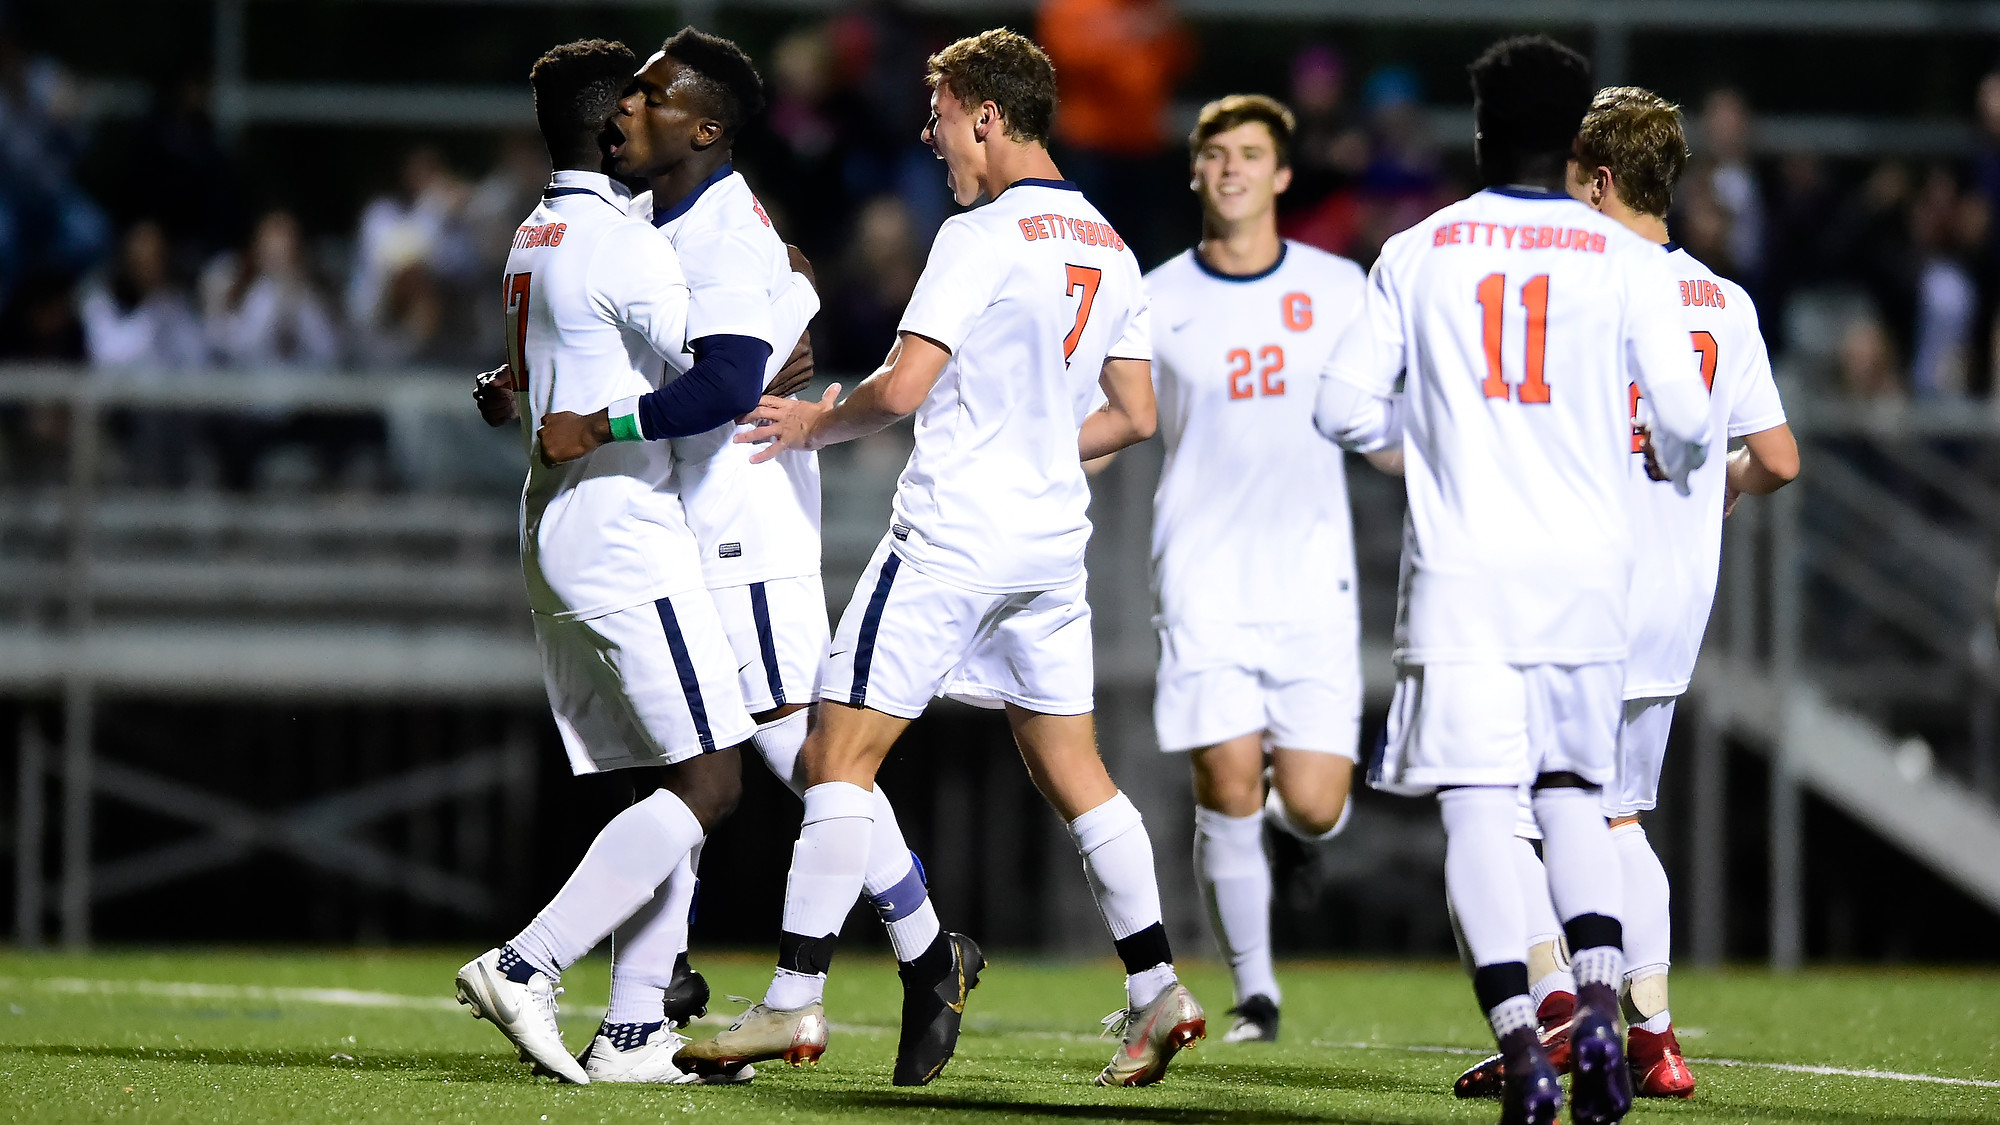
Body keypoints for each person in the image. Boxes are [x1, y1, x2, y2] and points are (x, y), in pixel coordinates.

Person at [680, 28, 1198, 1088]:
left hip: (952, 536)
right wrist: (1039, 451)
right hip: (1048, 547)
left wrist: (815, 425)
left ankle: (792, 1002)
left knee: (834, 754)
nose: (930, 134)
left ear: (988, 118)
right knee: (1077, 774)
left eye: (941, 114)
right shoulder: (1106, 239)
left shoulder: (982, 231)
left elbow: (903, 388)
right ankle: (1156, 990)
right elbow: (1134, 413)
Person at [528, 25, 944, 1083]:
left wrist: (609, 418)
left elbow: (737, 359)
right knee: (712, 760)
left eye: (652, 95)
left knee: (791, 753)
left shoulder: (722, 233)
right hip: (685, 519)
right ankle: (640, 1010)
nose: (629, 108)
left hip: (738, 517)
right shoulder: (653, 212)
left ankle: (924, 942)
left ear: (703, 127)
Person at [1313, 36, 1711, 1125]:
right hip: (1586, 580)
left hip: (1461, 576)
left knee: (1483, 812)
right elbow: (1682, 423)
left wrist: (1429, 438)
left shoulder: (1419, 249)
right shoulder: (1626, 264)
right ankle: (1596, 1006)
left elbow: (1340, 408)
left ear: (1479, 133)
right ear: (1576, 140)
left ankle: (1520, 1043)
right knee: (1577, 799)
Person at [1450, 85, 1800, 1106]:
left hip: (1578, 592)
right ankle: (1653, 1035)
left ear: (1597, 179)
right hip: (1672, 603)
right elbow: (1775, 457)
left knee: (1500, 809)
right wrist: (1721, 487)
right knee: (1612, 818)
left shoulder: (1582, 288)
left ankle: (1561, 1009)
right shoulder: (1722, 303)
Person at [451, 38, 755, 1087]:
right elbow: (725, 377)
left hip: (557, 532)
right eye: (632, 97)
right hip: (624, 532)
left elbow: (548, 369)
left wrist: (520, 395)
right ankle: (526, 963)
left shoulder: (534, 233)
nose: (642, 113)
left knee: (674, 784)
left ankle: (633, 1031)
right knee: (713, 780)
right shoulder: (624, 243)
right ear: (606, 119)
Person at [1143, 93, 1374, 1044]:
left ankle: (1285, 836)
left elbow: (1383, 421)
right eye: (1215, 154)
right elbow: (1120, 422)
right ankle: (1256, 993)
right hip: (1201, 576)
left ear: (1282, 174)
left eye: (1250, 155)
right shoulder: (1154, 296)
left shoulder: (1341, 287)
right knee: (1228, 781)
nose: (1231, 168)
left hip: (1313, 577)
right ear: (1196, 171)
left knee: (1315, 807)